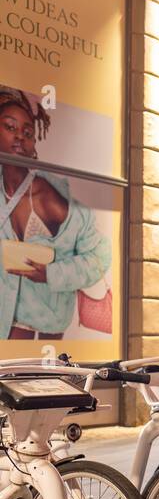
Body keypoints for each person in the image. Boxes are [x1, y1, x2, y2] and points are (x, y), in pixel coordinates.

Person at [0, 87, 111, 340]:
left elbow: (100, 256)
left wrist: (51, 274)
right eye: (10, 127)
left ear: (34, 144)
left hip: (41, 328)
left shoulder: (47, 196)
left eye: (27, 132)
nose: (20, 137)